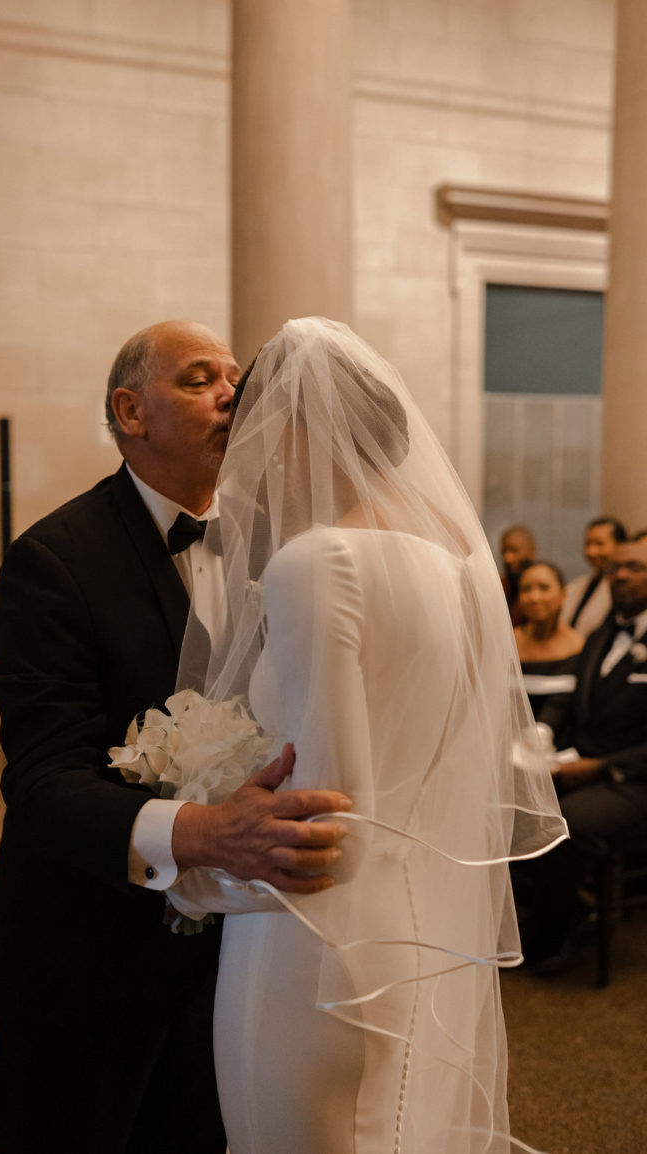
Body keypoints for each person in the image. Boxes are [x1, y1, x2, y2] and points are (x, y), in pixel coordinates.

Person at [157, 318, 567, 1153]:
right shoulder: (455, 570)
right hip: (415, 930)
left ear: (294, 428)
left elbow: (326, 827)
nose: (247, 458)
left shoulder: (317, 563)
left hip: (310, 947)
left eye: (254, 430)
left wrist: (192, 876)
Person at [0, 319, 351, 1154]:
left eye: (235, 378)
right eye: (198, 379)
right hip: (91, 946)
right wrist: (202, 833)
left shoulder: (283, 545)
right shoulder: (55, 559)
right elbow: (42, 783)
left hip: (244, 947)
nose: (232, 395)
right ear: (131, 412)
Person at [520, 536, 647, 972]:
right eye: (616, 568)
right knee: (510, 802)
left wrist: (602, 768)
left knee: (566, 824)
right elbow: (569, 699)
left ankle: (547, 939)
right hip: (583, 762)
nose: (621, 576)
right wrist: (542, 734)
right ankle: (560, 911)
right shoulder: (598, 636)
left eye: (634, 567)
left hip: (633, 779)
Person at [514, 561, 583, 717]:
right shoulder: (508, 643)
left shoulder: (579, 647)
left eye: (544, 588)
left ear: (563, 595)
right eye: (526, 589)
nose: (534, 597)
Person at [559, 516, 627, 638]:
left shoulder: (624, 588)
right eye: (587, 544)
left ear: (620, 545)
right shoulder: (578, 585)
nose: (591, 551)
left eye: (599, 544)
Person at [500, 525, 537, 625]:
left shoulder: (542, 585)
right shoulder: (501, 585)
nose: (507, 558)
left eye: (514, 551)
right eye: (504, 552)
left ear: (531, 551)